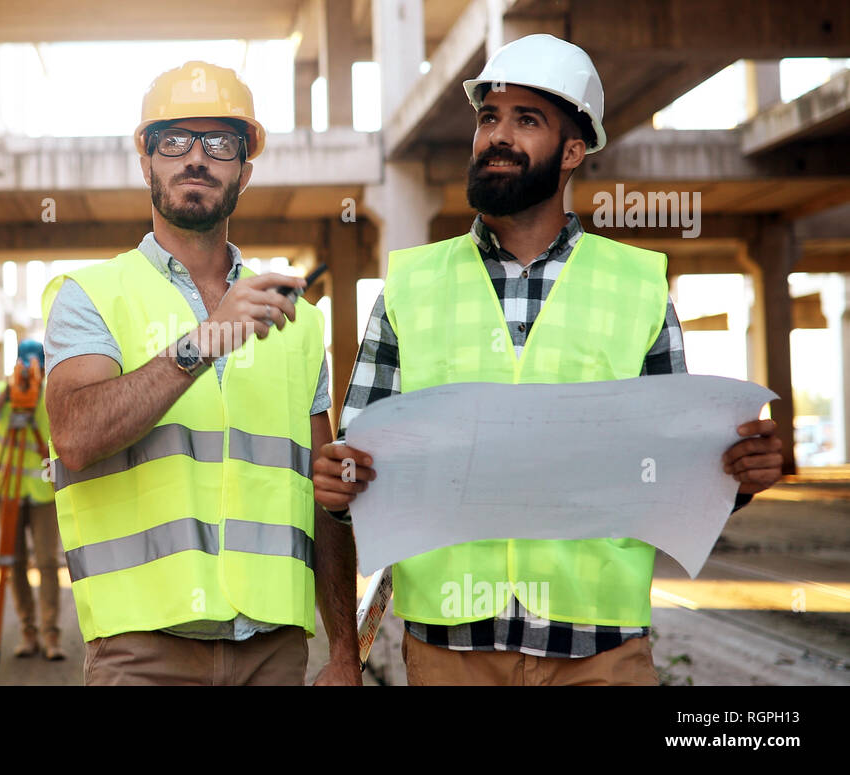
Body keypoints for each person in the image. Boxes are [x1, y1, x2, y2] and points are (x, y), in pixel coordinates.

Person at [312, 34, 784, 686]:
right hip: (451, 649)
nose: (497, 137)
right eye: (488, 118)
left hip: (601, 650)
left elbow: (673, 474)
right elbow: (355, 466)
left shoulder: (638, 287)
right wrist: (338, 484)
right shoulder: (411, 285)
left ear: (572, 151)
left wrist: (738, 477)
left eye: (525, 120)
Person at [39, 61, 358, 685]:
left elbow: (323, 501)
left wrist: (343, 651)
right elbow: (75, 435)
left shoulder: (299, 322)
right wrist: (204, 343)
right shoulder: (92, 296)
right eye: (174, 141)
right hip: (143, 649)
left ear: (244, 166)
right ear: (146, 159)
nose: (196, 158)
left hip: (273, 645)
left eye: (220, 143)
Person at [0, 339, 64, 661]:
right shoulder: (2, 391)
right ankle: (29, 633)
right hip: (8, 492)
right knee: (14, 564)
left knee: (48, 563)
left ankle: (51, 635)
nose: (29, 372)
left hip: (41, 493)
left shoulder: (52, 392)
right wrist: (5, 398)